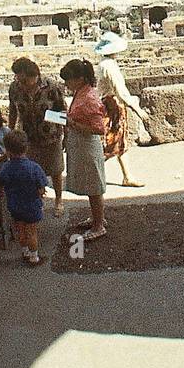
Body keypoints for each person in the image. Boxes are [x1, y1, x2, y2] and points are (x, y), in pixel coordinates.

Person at [7, 56, 67, 216]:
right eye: (18, 79)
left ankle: (59, 200)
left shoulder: (51, 86)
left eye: (24, 80)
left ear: (34, 76)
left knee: (55, 170)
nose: (21, 84)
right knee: (32, 172)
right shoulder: (14, 88)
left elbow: (62, 111)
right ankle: (38, 200)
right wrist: (10, 131)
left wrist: (63, 133)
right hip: (29, 137)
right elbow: (13, 111)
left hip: (51, 135)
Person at [59, 57, 108, 241]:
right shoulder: (82, 92)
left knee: (94, 186)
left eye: (68, 80)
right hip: (81, 145)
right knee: (91, 184)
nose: (66, 84)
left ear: (79, 79)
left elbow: (98, 128)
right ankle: (97, 217)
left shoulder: (88, 97)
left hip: (87, 146)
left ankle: (98, 225)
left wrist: (72, 123)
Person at [93, 31, 145, 187]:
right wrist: (137, 108)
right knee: (109, 143)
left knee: (120, 142)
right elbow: (120, 90)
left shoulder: (104, 64)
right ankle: (91, 175)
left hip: (109, 105)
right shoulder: (109, 66)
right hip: (111, 106)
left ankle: (127, 176)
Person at [0, 129, 50, 266]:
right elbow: (41, 187)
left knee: (20, 230)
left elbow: (1, 182)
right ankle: (34, 257)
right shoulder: (34, 168)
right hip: (31, 205)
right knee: (31, 232)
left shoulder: (5, 168)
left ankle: (24, 251)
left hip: (14, 205)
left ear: (7, 150)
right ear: (26, 147)